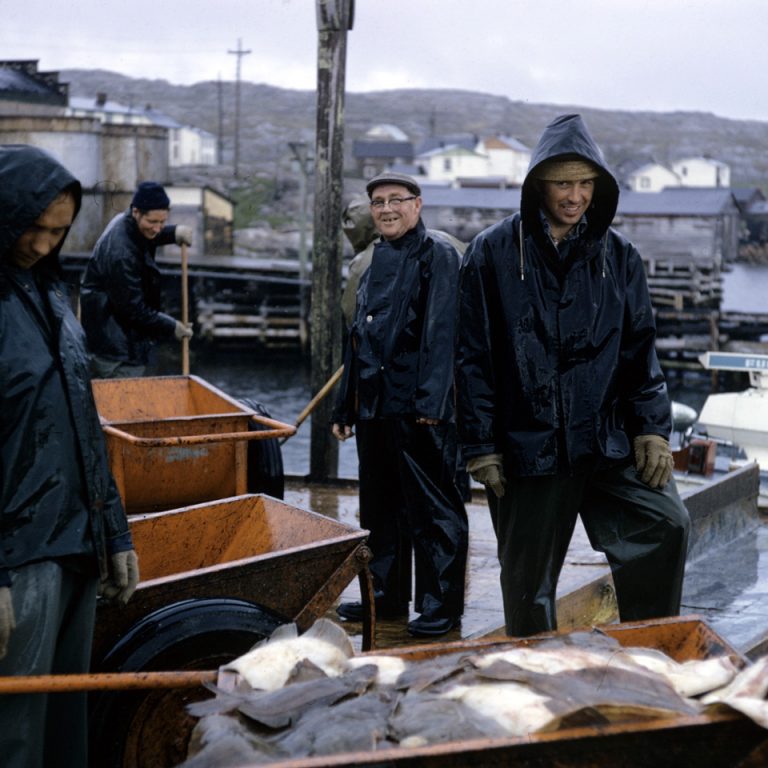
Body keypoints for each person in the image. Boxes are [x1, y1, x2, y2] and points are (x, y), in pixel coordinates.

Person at [455, 114, 691, 637]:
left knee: (667, 524)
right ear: (539, 183)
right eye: (563, 182)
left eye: (586, 184)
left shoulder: (621, 256)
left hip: (604, 440)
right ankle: (533, 674)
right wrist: (480, 444)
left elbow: (639, 350)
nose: (575, 196)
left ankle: (648, 648)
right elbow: (471, 358)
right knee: (527, 583)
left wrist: (652, 427)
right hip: (528, 446)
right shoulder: (490, 253)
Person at [0, 144, 139, 767]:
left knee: (64, 723)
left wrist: (113, 533)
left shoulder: (54, 297)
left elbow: (84, 421)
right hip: (18, 551)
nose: (41, 243)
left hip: (77, 541)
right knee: (14, 729)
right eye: (31, 228)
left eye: (57, 232)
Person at [331, 171, 469, 638]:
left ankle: (441, 605)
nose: (387, 209)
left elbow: (442, 333)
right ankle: (386, 596)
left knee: (433, 512)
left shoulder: (440, 257)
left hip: (420, 409)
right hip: (376, 408)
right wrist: (344, 406)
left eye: (396, 200)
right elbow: (358, 340)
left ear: (417, 204)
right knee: (379, 511)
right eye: (378, 202)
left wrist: (433, 402)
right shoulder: (374, 263)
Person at [80, 180, 194, 378]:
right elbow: (133, 309)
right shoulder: (121, 253)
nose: (157, 228)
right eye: (153, 222)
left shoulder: (127, 222)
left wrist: (173, 233)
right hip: (115, 348)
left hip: (119, 335)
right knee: (123, 403)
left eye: (163, 222)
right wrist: (172, 326)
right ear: (136, 212)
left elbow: (148, 234)